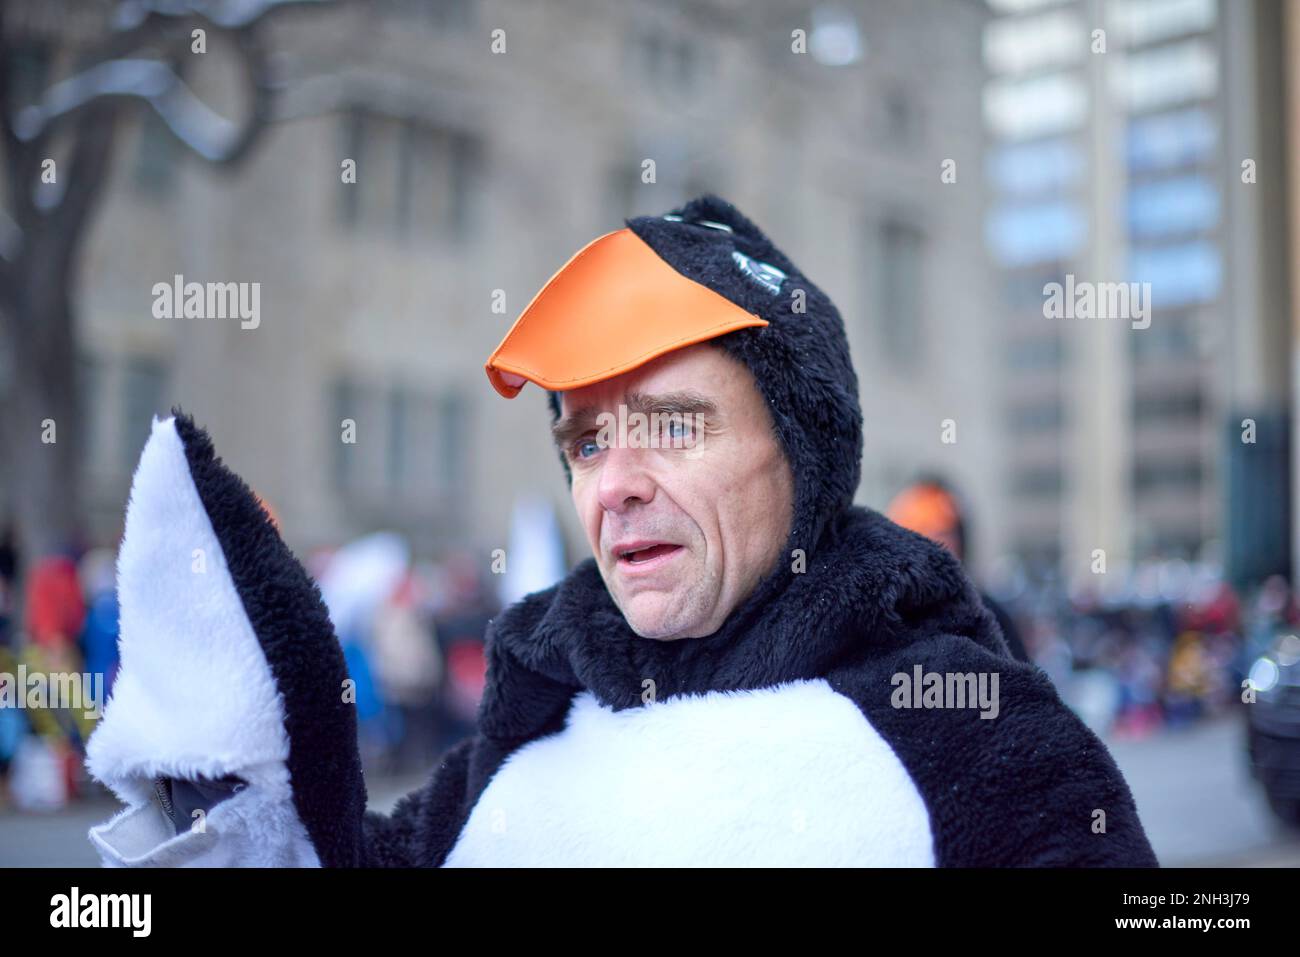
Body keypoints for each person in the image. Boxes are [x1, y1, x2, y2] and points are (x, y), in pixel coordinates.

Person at [84, 194, 1156, 867]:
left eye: (673, 426)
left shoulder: (985, 741)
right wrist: (254, 776)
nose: (616, 485)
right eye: (587, 442)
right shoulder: (535, 712)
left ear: (803, 447)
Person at [885, 477, 1031, 663]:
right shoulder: (881, 622)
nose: (928, 547)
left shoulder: (988, 617)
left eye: (941, 534)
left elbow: (1022, 685)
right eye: (917, 532)